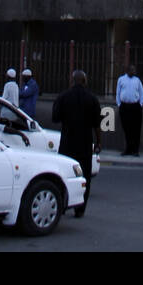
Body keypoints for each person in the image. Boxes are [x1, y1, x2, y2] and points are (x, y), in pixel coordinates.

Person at [52, 70, 102, 217]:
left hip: (67, 142)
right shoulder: (92, 99)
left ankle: (62, 205)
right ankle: (80, 209)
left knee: (63, 175)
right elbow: (97, 124)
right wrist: (99, 142)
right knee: (84, 176)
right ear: (85, 81)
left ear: (72, 80)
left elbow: (55, 118)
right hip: (85, 143)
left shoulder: (63, 97)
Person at [116, 64, 143, 156]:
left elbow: (141, 93)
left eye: (134, 70)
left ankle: (135, 150)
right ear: (127, 70)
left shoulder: (137, 80)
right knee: (127, 129)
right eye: (132, 70)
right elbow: (118, 93)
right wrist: (119, 104)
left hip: (135, 107)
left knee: (136, 129)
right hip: (124, 106)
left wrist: (140, 104)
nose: (134, 71)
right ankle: (128, 149)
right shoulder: (121, 79)